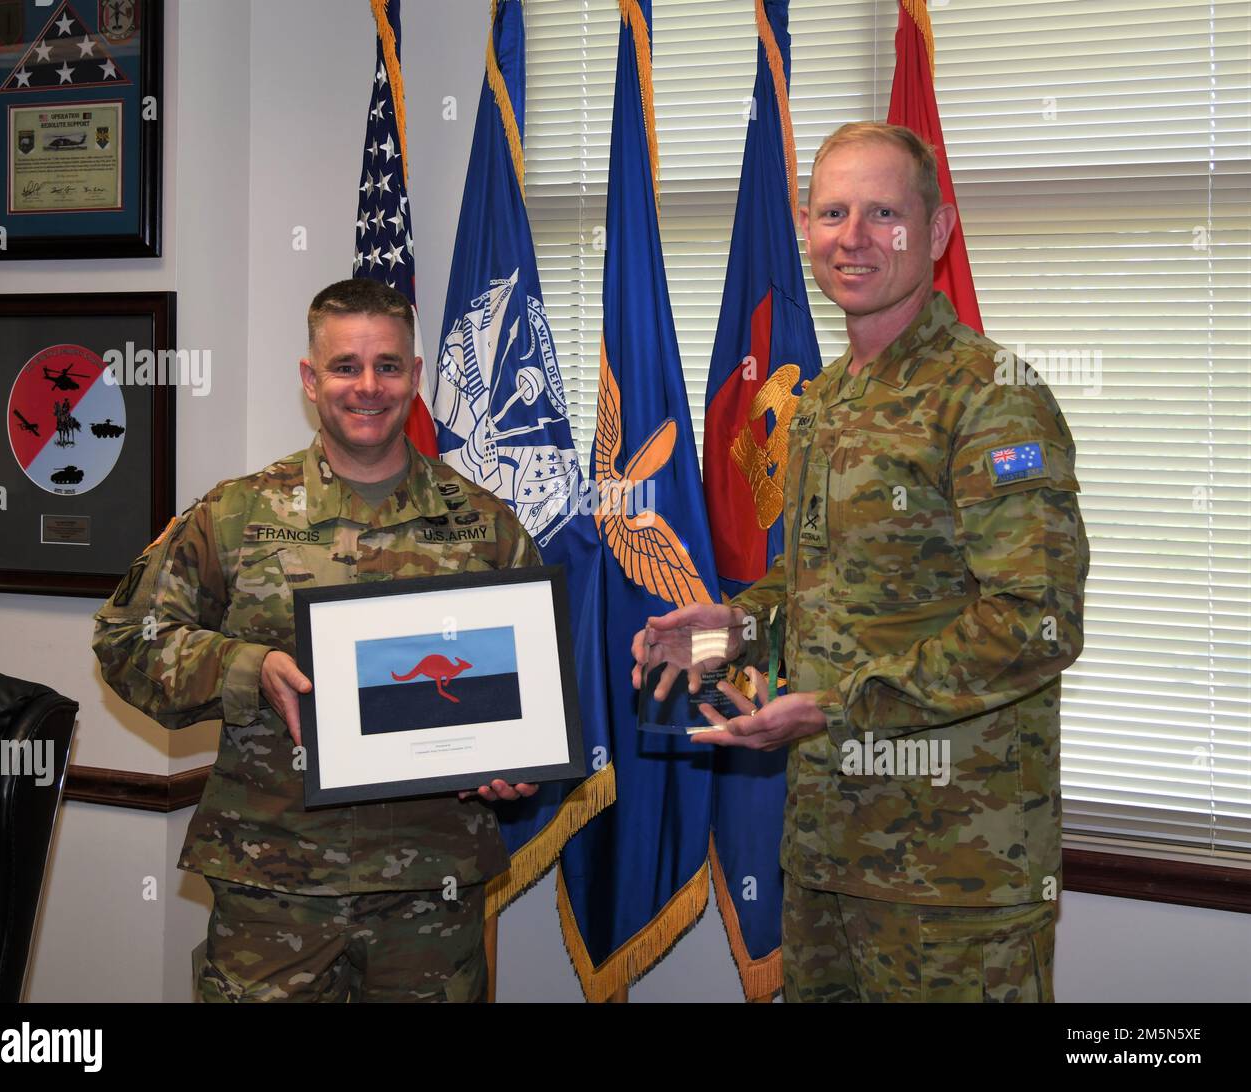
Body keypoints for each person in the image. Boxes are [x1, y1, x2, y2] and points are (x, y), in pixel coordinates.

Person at [634, 122, 1089, 1002]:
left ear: (938, 230)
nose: (854, 237)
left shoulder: (992, 398)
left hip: (955, 874)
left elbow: (1034, 623)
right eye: (834, 212)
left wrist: (834, 707)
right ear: (805, 227)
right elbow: (821, 589)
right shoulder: (826, 397)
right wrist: (737, 620)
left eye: (885, 213)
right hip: (827, 851)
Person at [93, 279, 540, 1003]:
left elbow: (534, 689)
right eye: (345, 366)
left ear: (416, 378)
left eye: (388, 366)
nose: (368, 387)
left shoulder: (486, 528)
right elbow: (125, 641)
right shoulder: (235, 515)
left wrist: (517, 764)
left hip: (430, 893)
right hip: (273, 889)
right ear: (311, 379)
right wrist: (246, 665)